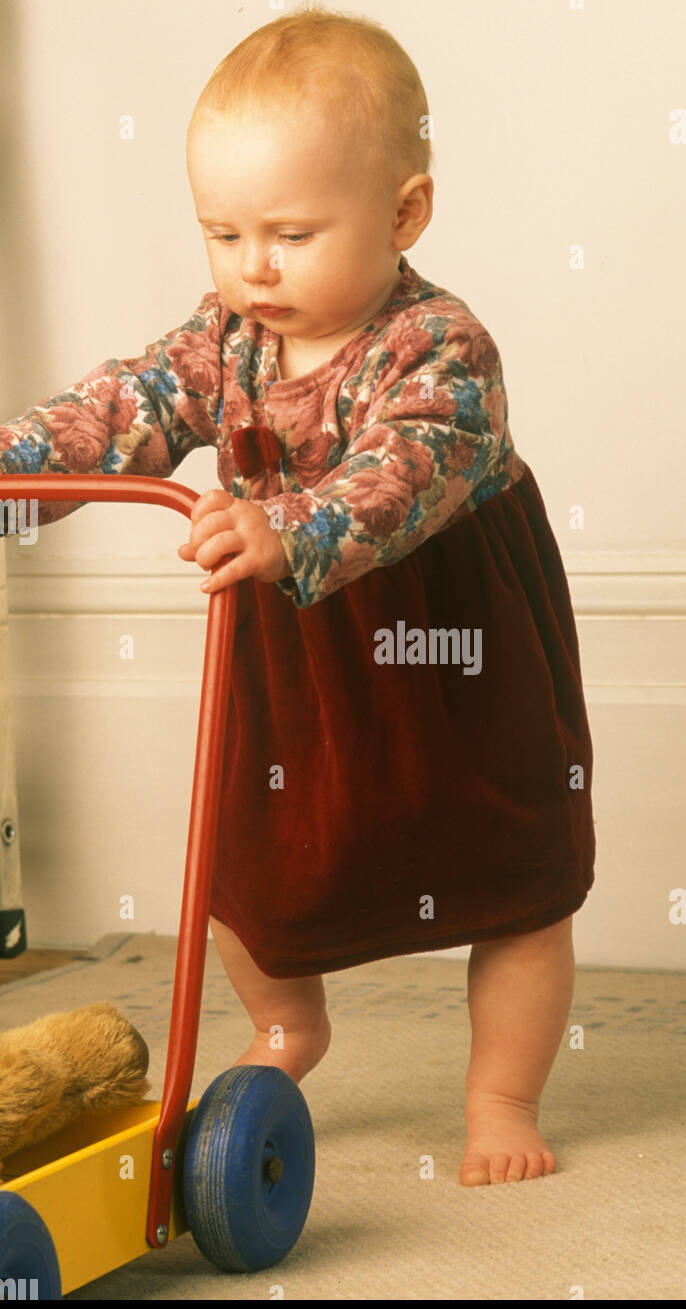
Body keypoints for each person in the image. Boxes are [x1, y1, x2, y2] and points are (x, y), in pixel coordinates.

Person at [0, 6, 595, 1186]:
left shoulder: (438, 347)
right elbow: (117, 411)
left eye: (290, 233)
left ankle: (501, 1093)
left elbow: (401, 473)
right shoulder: (227, 340)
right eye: (222, 234)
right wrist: (20, 466)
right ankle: (288, 1025)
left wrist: (286, 526)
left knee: (512, 871)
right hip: (304, 656)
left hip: (453, 643)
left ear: (403, 213)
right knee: (247, 861)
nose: (251, 267)